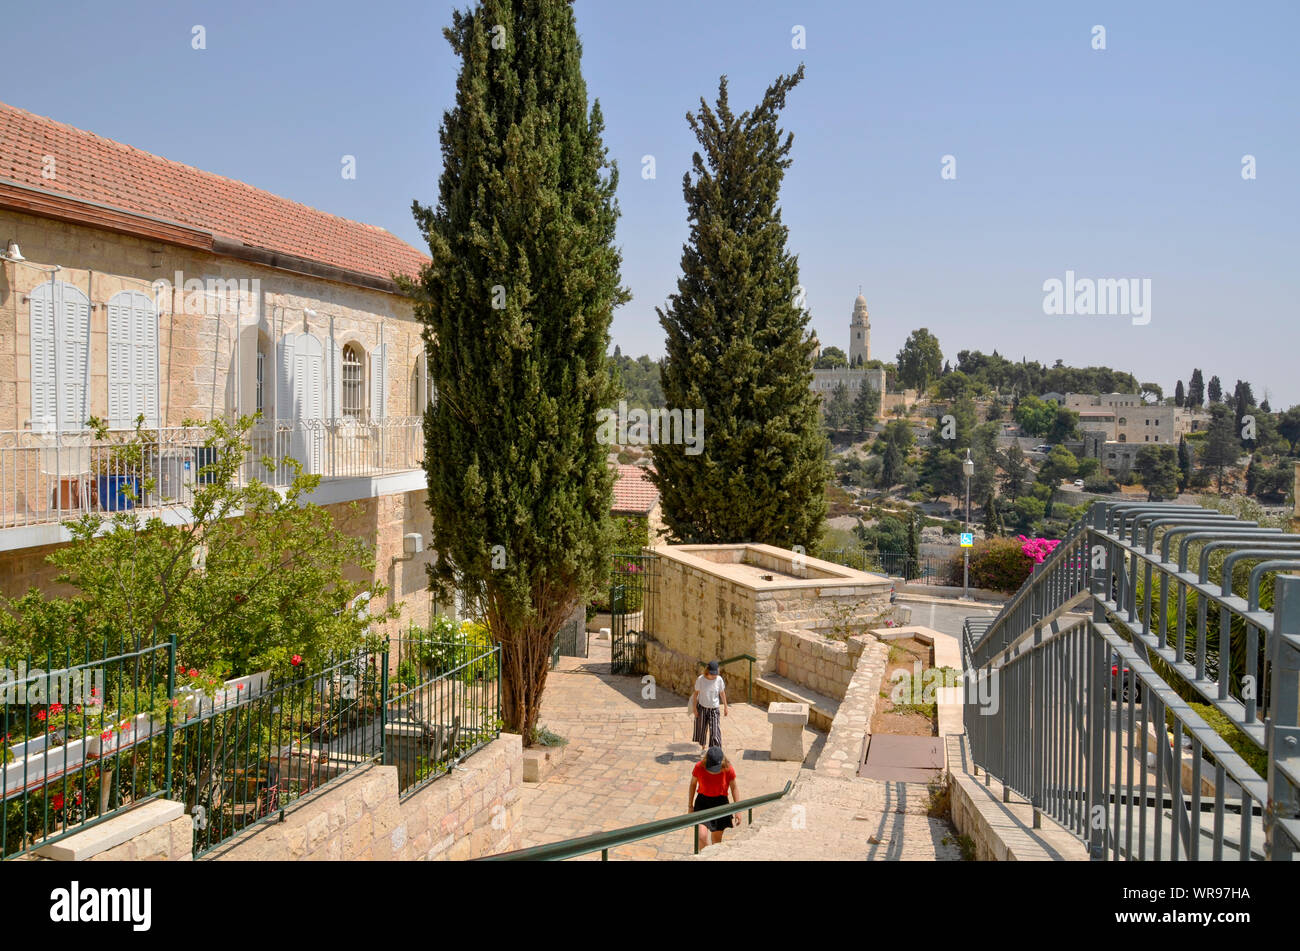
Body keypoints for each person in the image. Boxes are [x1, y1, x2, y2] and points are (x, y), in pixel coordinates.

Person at [689, 745, 739, 850]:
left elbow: (734, 788)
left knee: (716, 841)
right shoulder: (699, 767)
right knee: (701, 837)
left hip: (720, 804)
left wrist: (738, 810)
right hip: (702, 803)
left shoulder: (728, 769)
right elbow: (693, 784)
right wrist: (690, 806)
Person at [689, 660, 728, 751]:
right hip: (702, 708)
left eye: (715, 673)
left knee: (715, 732)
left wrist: (725, 707)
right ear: (707, 671)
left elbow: (722, 693)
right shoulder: (701, 679)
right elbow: (696, 694)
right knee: (702, 730)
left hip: (714, 709)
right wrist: (694, 708)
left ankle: (714, 752)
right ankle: (703, 748)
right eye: (712, 673)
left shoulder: (719, 680)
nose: (714, 675)